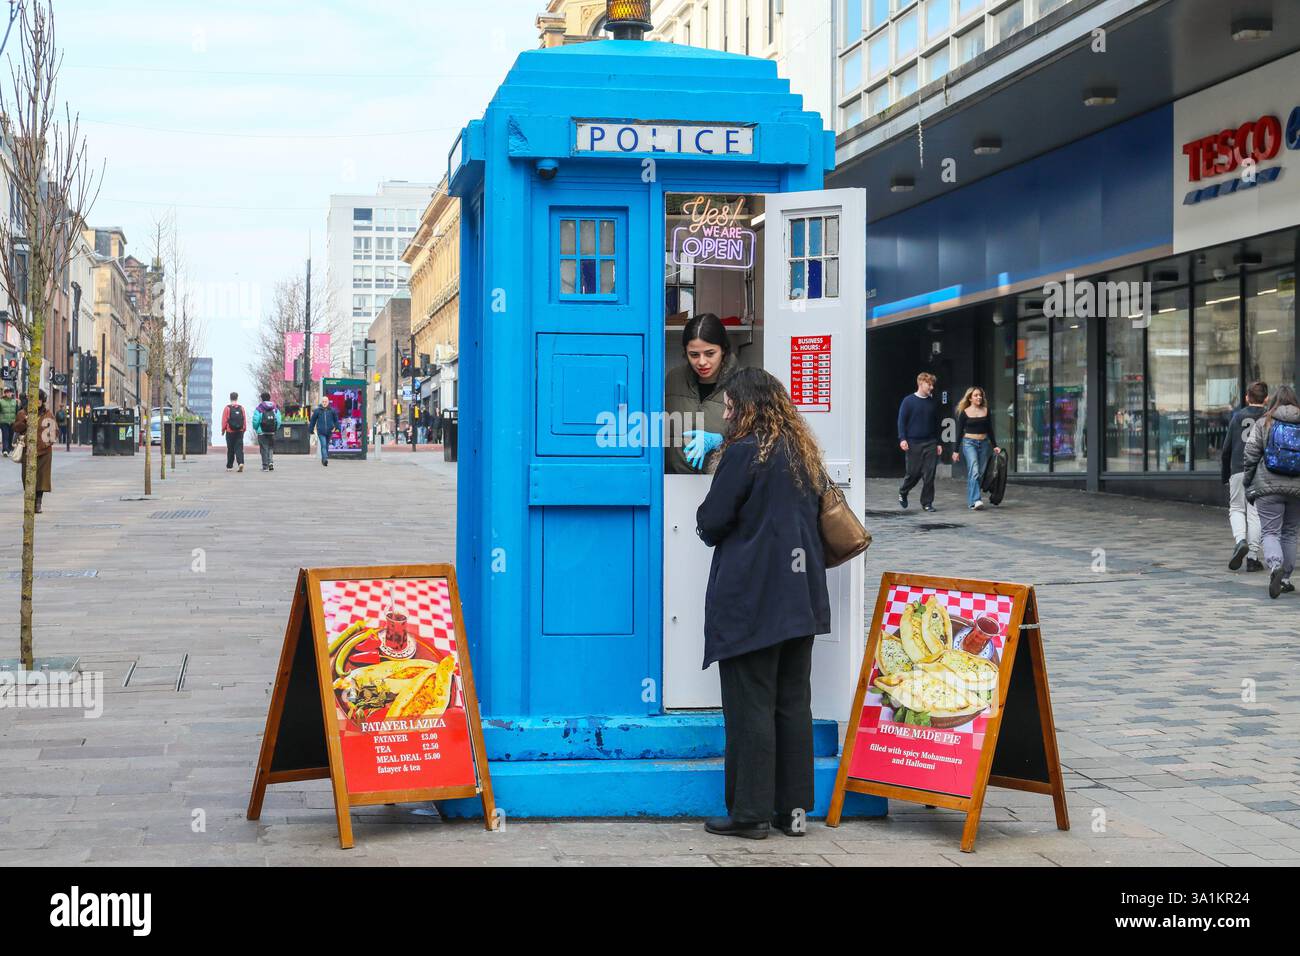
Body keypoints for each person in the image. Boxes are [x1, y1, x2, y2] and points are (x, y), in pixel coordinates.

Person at [696, 367, 830, 840]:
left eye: (730, 407)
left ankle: (750, 814)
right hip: (800, 600)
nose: (726, 414)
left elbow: (712, 521)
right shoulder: (803, 452)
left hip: (752, 601)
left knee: (750, 706)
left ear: (747, 408)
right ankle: (792, 813)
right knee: (792, 705)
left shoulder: (744, 452)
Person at [1242, 385, 1300, 599]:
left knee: (1270, 532)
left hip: (1268, 486)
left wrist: (1248, 481)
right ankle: (1285, 578)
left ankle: (1275, 566)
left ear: (1273, 400)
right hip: (1297, 488)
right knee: (1290, 532)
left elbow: (1250, 454)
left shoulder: (1264, 422)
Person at [666, 313, 736, 474]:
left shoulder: (743, 383)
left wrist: (720, 441)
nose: (702, 362)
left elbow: (759, 439)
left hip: (723, 483)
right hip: (675, 483)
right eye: (694, 355)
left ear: (723, 350)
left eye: (710, 353)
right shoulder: (673, 379)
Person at [1221, 380, 1268, 572]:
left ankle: (1240, 540)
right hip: (1260, 471)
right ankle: (1252, 557)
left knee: (1237, 508)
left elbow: (1226, 449)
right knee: (1255, 513)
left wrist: (1226, 474)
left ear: (1247, 397)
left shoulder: (1237, 417)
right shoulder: (1269, 418)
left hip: (1238, 469)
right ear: (1266, 398)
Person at [897, 371, 943, 512]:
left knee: (929, 474)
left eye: (932, 385)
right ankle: (903, 491)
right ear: (920, 383)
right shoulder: (908, 401)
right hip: (913, 442)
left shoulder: (933, 402)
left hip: (930, 442)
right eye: (929, 384)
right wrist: (902, 439)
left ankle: (927, 503)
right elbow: (901, 421)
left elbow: (937, 423)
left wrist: (939, 442)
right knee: (913, 473)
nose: (931, 387)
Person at [951, 386, 1001, 511]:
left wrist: (995, 445)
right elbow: (959, 433)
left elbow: (990, 429)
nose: (979, 397)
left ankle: (971, 500)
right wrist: (956, 451)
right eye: (976, 395)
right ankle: (976, 500)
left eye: (980, 395)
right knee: (974, 471)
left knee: (980, 472)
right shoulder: (965, 412)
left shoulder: (986, 410)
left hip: (984, 443)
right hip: (969, 444)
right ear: (970, 398)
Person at [13, 389, 56, 513]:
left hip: (45, 451)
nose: (37, 402)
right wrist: (25, 422)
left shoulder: (47, 413)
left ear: (42, 401)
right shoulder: (23, 413)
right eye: (34, 399)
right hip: (28, 450)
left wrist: (48, 442)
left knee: (42, 478)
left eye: (39, 399)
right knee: (27, 477)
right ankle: (29, 502)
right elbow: (16, 427)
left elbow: (54, 430)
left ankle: (38, 503)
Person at [252, 391, 282, 472]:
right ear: (269, 398)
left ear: (262, 399)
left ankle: (265, 466)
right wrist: (275, 428)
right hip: (272, 431)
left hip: (262, 432)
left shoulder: (259, 408)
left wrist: (256, 428)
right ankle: (270, 462)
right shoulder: (275, 408)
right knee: (271, 447)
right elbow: (279, 420)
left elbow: (256, 420)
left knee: (264, 448)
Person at [220, 392, 247, 472]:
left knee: (230, 448)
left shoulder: (227, 408)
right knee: (239, 448)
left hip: (230, 431)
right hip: (239, 431)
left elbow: (224, 420)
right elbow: (244, 419)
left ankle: (230, 466)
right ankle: (240, 463)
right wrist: (244, 429)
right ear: (237, 398)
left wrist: (223, 430)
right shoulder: (241, 408)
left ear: (230, 398)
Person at [309, 397, 339, 466]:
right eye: (323, 402)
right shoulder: (317, 411)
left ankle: (323, 459)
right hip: (321, 431)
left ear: (328, 402)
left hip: (329, 431)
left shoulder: (332, 411)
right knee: (323, 445)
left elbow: (336, 420)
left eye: (325, 401)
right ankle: (325, 459)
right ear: (321, 402)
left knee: (327, 445)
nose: (324, 403)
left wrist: (336, 428)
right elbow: (313, 421)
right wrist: (311, 430)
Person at [0, 386, 16, 456]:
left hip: (12, 422)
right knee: (5, 436)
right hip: (4, 422)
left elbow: (17, 412)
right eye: (7, 393)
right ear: (5, 394)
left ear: (12, 393)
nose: (9, 394)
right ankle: (5, 450)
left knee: (10, 436)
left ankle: (9, 448)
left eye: (10, 392)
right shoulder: (1, 401)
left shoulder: (15, 401)